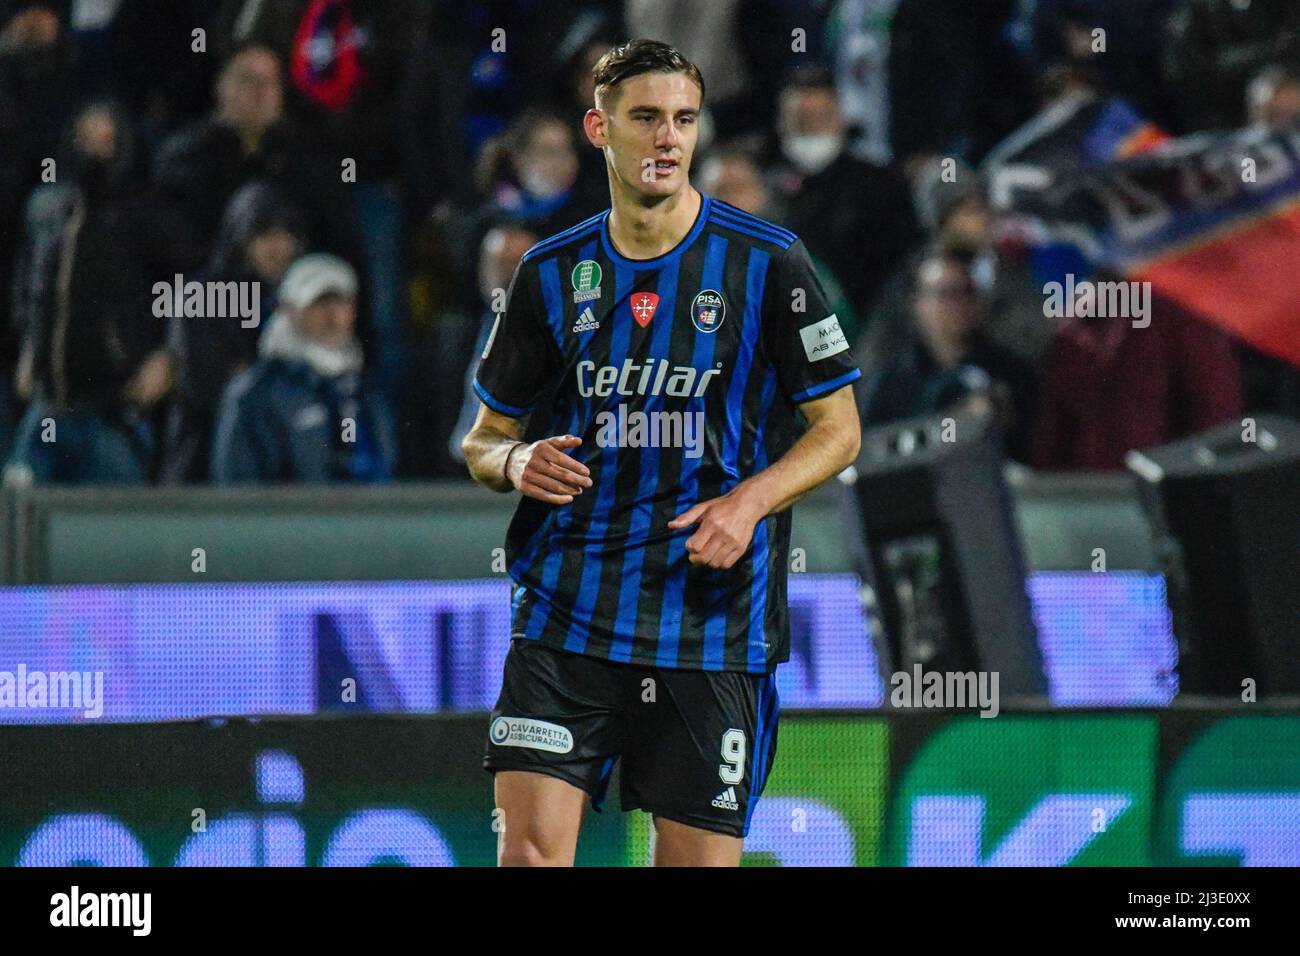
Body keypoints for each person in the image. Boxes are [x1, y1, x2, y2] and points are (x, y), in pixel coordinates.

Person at [461, 40, 862, 867]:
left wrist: (749, 503)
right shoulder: (550, 272)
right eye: (646, 118)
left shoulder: (768, 263)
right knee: (529, 858)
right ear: (599, 128)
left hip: (711, 627)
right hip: (567, 615)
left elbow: (839, 428)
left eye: (683, 118)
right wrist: (515, 462)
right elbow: (483, 439)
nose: (668, 138)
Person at [5, 100, 200, 485]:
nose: (95, 147)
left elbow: (196, 286)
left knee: (109, 536)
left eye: (106, 138)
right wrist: (29, 345)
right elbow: (29, 285)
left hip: (115, 411)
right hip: (48, 405)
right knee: (16, 525)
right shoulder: (46, 208)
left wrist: (169, 356)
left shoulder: (148, 211)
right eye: (86, 137)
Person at [165, 181, 308, 482]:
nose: (278, 247)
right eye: (264, 234)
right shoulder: (199, 295)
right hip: (203, 466)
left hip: (280, 470)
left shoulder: (299, 300)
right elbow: (206, 384)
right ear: (240, 238)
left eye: (286, 235)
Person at [211, 253, 394, 483]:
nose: (332, 315)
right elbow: (238, 489)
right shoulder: (256, 393)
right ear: (289, 310)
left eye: (341, 302)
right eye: (319, 303)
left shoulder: (366, 389)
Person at [862, 244, 1037, 461]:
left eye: (967, 292)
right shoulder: (891, 383)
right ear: (918, 303)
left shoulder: (1012, 375)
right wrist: (961, 424)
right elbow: (874, 453)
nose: (958, 304)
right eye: (945, 294)